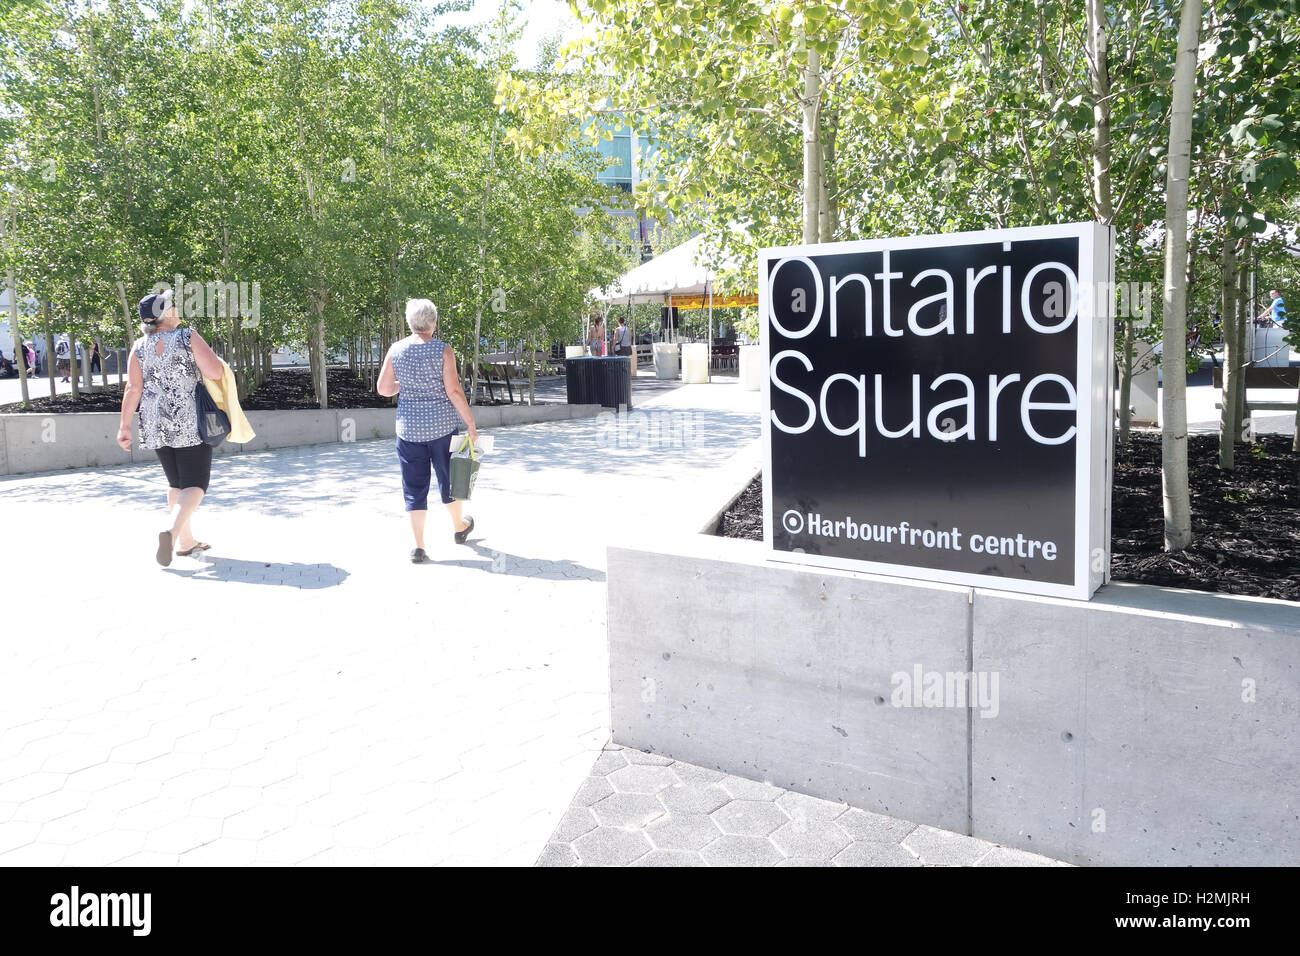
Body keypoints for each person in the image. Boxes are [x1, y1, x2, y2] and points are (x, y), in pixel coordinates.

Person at [116, 289, 225, 566]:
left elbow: (133, 388)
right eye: (172, 305)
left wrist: (124, 427)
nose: (177, 308)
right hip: (187, 417)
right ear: (166, 314)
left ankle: (186, 542)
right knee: (195, 484)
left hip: (154, 421)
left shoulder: (139, 346)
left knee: (176, 482)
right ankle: (172, 532)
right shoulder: (187, 337)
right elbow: (215, 372)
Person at [377, 298, 479, 563]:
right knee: (450, 480)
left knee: (414, 487)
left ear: (411, 323)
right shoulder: (443, 350)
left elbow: (384, 389)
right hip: (442, 430)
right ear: (433, 322)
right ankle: (459, 527)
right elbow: (453, 391)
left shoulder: (396, 350)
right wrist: (470, 423)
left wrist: (406, 385)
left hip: (409, 431)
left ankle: (419, 547)